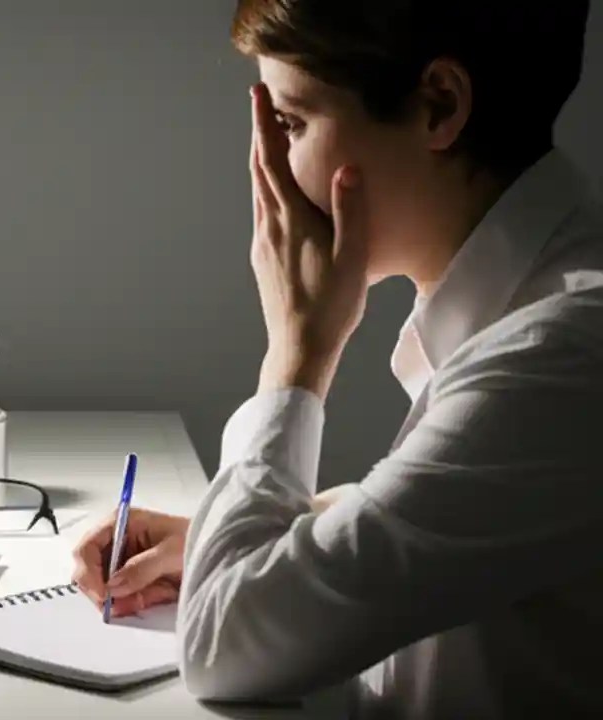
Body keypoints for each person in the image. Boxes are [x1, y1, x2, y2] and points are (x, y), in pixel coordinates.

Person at [71, 1, 602, 717]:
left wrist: (296, 357)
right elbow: (448, 518)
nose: (273, 167)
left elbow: (224, 649)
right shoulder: (541, 318)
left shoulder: (562, 356)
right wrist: (231, 537)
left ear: (438, 107)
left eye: (290, 123)